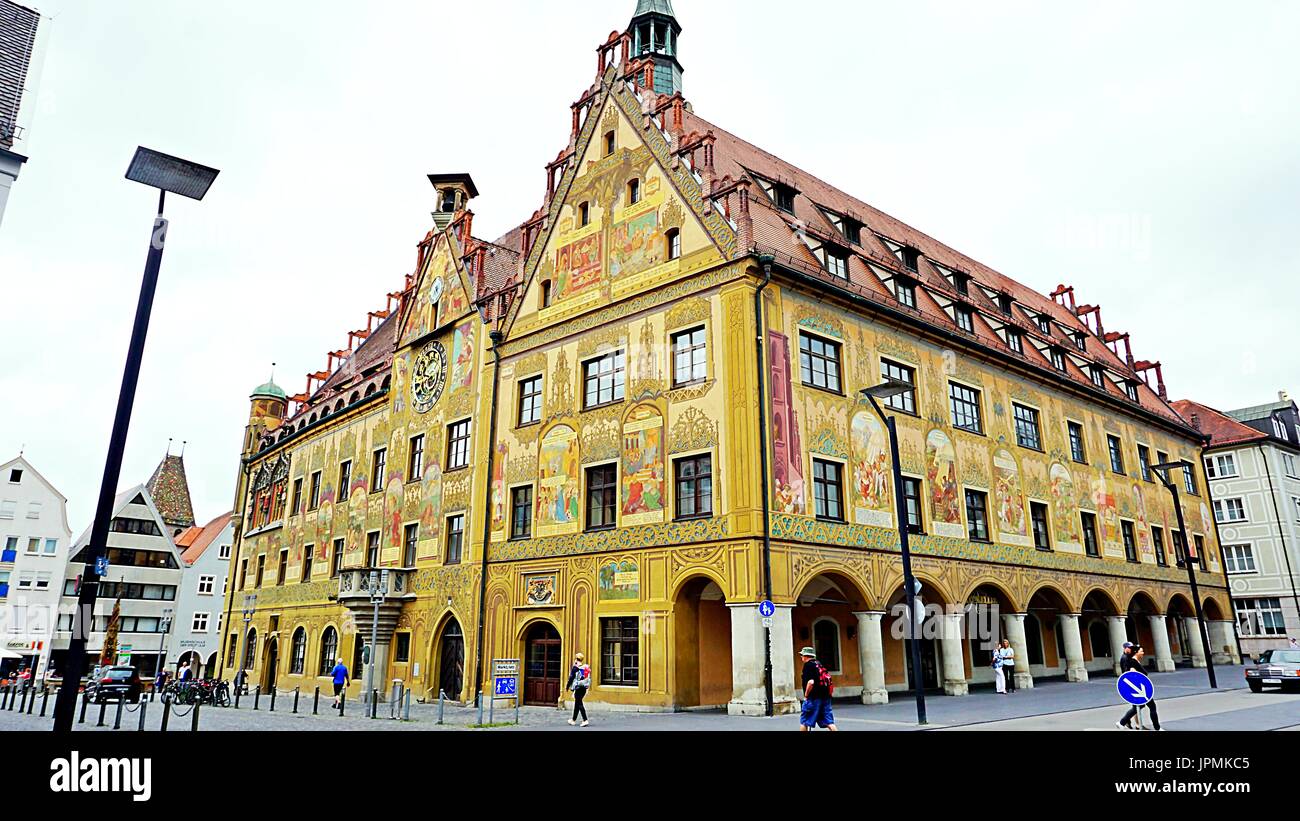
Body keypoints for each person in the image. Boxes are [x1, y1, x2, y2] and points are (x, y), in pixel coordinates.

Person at [1116, 645, 1161, 731]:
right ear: (1136, 652)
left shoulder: (1134, 661)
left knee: (1138, 707)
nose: (1143, 653)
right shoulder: (1132, 662)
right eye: (1141, 651)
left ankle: (1122, 723)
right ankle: (1157, 728)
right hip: (1139, 689)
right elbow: (1132, 674)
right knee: (1152, 706)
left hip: (1140, 688)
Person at [798, 647, 837, 731]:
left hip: (813, 698)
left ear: (806, 656)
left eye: (802, 655)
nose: (801, 657)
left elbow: (811, 682)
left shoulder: (808, 666)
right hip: (825, 697)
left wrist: (806, 695)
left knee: (804, 721)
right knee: (829, 722)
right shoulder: (819, 664)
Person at [565, 652, 592, 727]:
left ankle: (585, 720)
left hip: (578, 687)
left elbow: (571, 678)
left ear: (576, 659)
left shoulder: (575, 668)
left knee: (579, 703)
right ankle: (573, 720)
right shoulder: (585, 668)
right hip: (584, 687)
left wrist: (567, 686)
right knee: (577, 703)